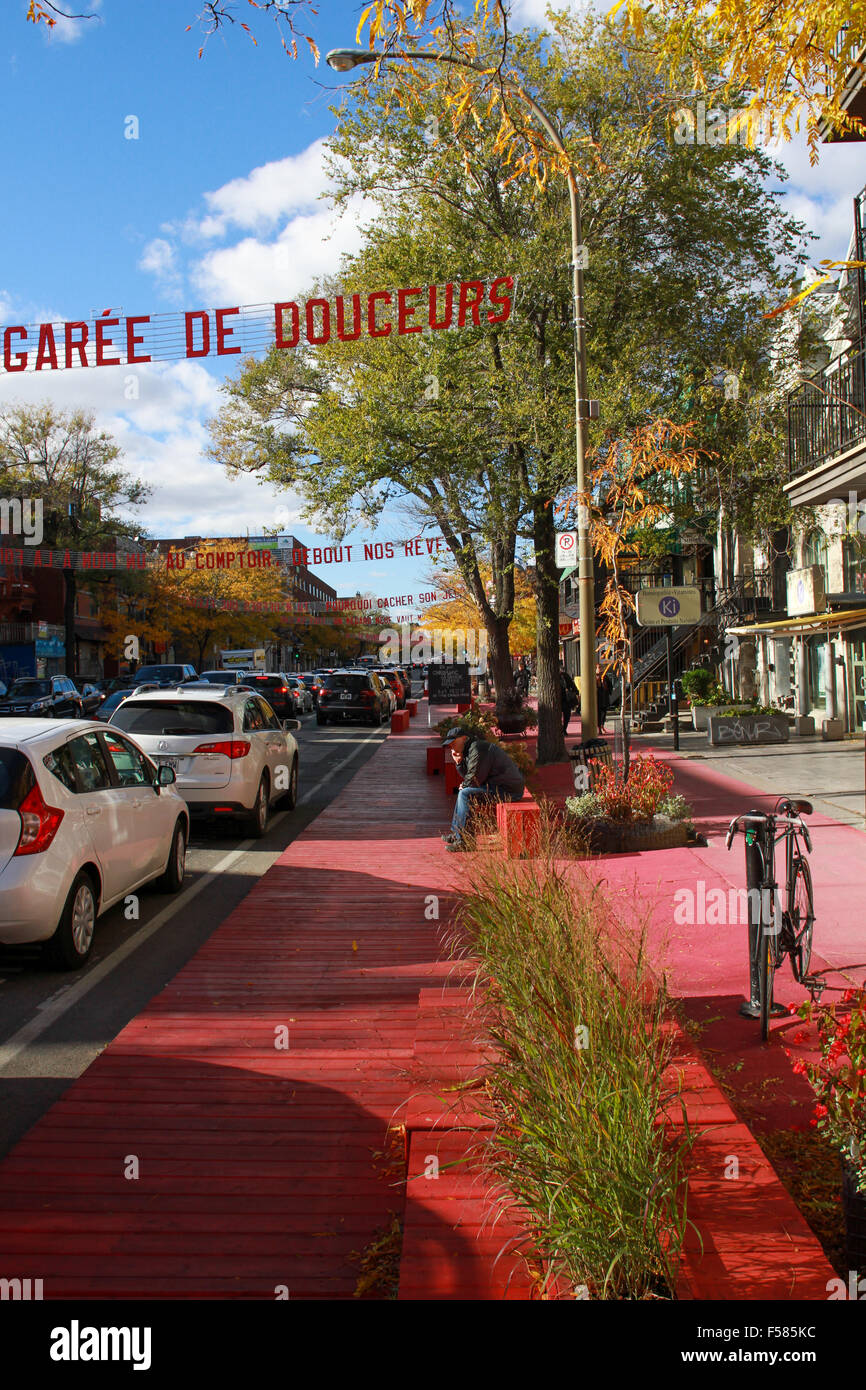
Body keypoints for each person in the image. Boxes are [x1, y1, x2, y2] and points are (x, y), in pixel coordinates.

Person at [440, 726, 525, 851]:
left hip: (509, 790)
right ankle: (457, 833)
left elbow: (475, 778)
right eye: (449, 744)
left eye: (453, 742)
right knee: (464, 792)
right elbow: (471, 775)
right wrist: (459, 763)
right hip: (498, 786)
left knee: (465, 794)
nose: (451, 746)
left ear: (464, 738)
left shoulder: (478, 749)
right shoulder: (470, 749)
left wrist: (465, 784)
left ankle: (465, 841)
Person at [560, 662, 580, 735]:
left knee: (567, 714)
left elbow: (572, 684)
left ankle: (564, 729)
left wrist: (576, 692)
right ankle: (561, 729)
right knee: (559, 715)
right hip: (558, 699)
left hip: (566, 699)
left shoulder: (565, 676)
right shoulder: (554, 676)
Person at [596, 663, 613, 734]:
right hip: (597, 699)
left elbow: (610, 687)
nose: (600, 669)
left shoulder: (605, 677)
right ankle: (599, 728)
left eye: (601, 668)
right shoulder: (594, 677)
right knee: (598, 714)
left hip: (604, 698)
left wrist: (607, 689)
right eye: (598, 668)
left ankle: (602, 725)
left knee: (604, 714)